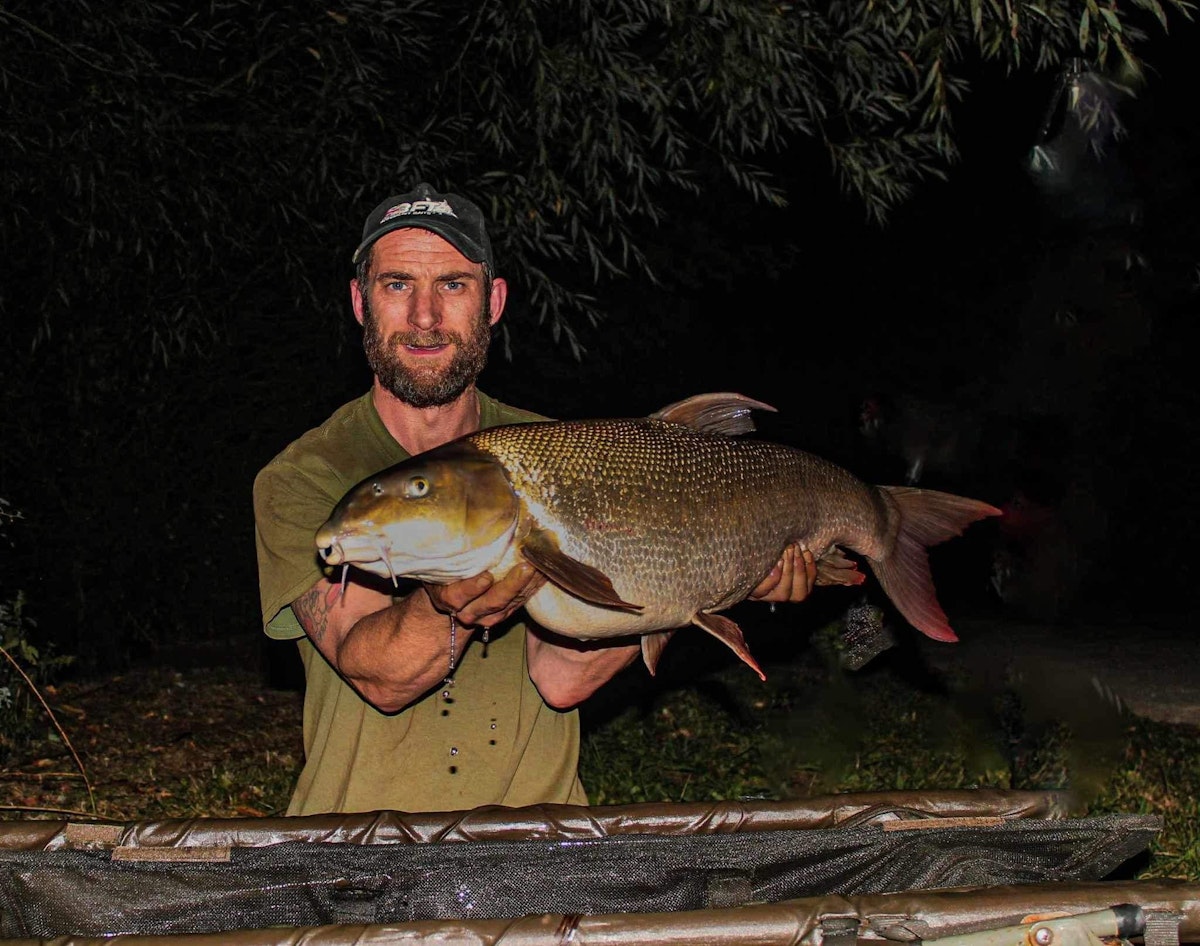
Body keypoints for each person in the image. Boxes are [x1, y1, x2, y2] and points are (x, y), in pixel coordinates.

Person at [253, 183, 817, 816]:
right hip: (362, 844)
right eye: (397, 284)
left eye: (453, 285)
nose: (425, 316)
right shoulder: (305, 475)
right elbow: (378, 676)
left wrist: (714, 573)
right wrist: (448, 601)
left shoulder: (560, 451)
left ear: (492, 302)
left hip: (540, 838)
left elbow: (561, 678)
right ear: (361, 303)